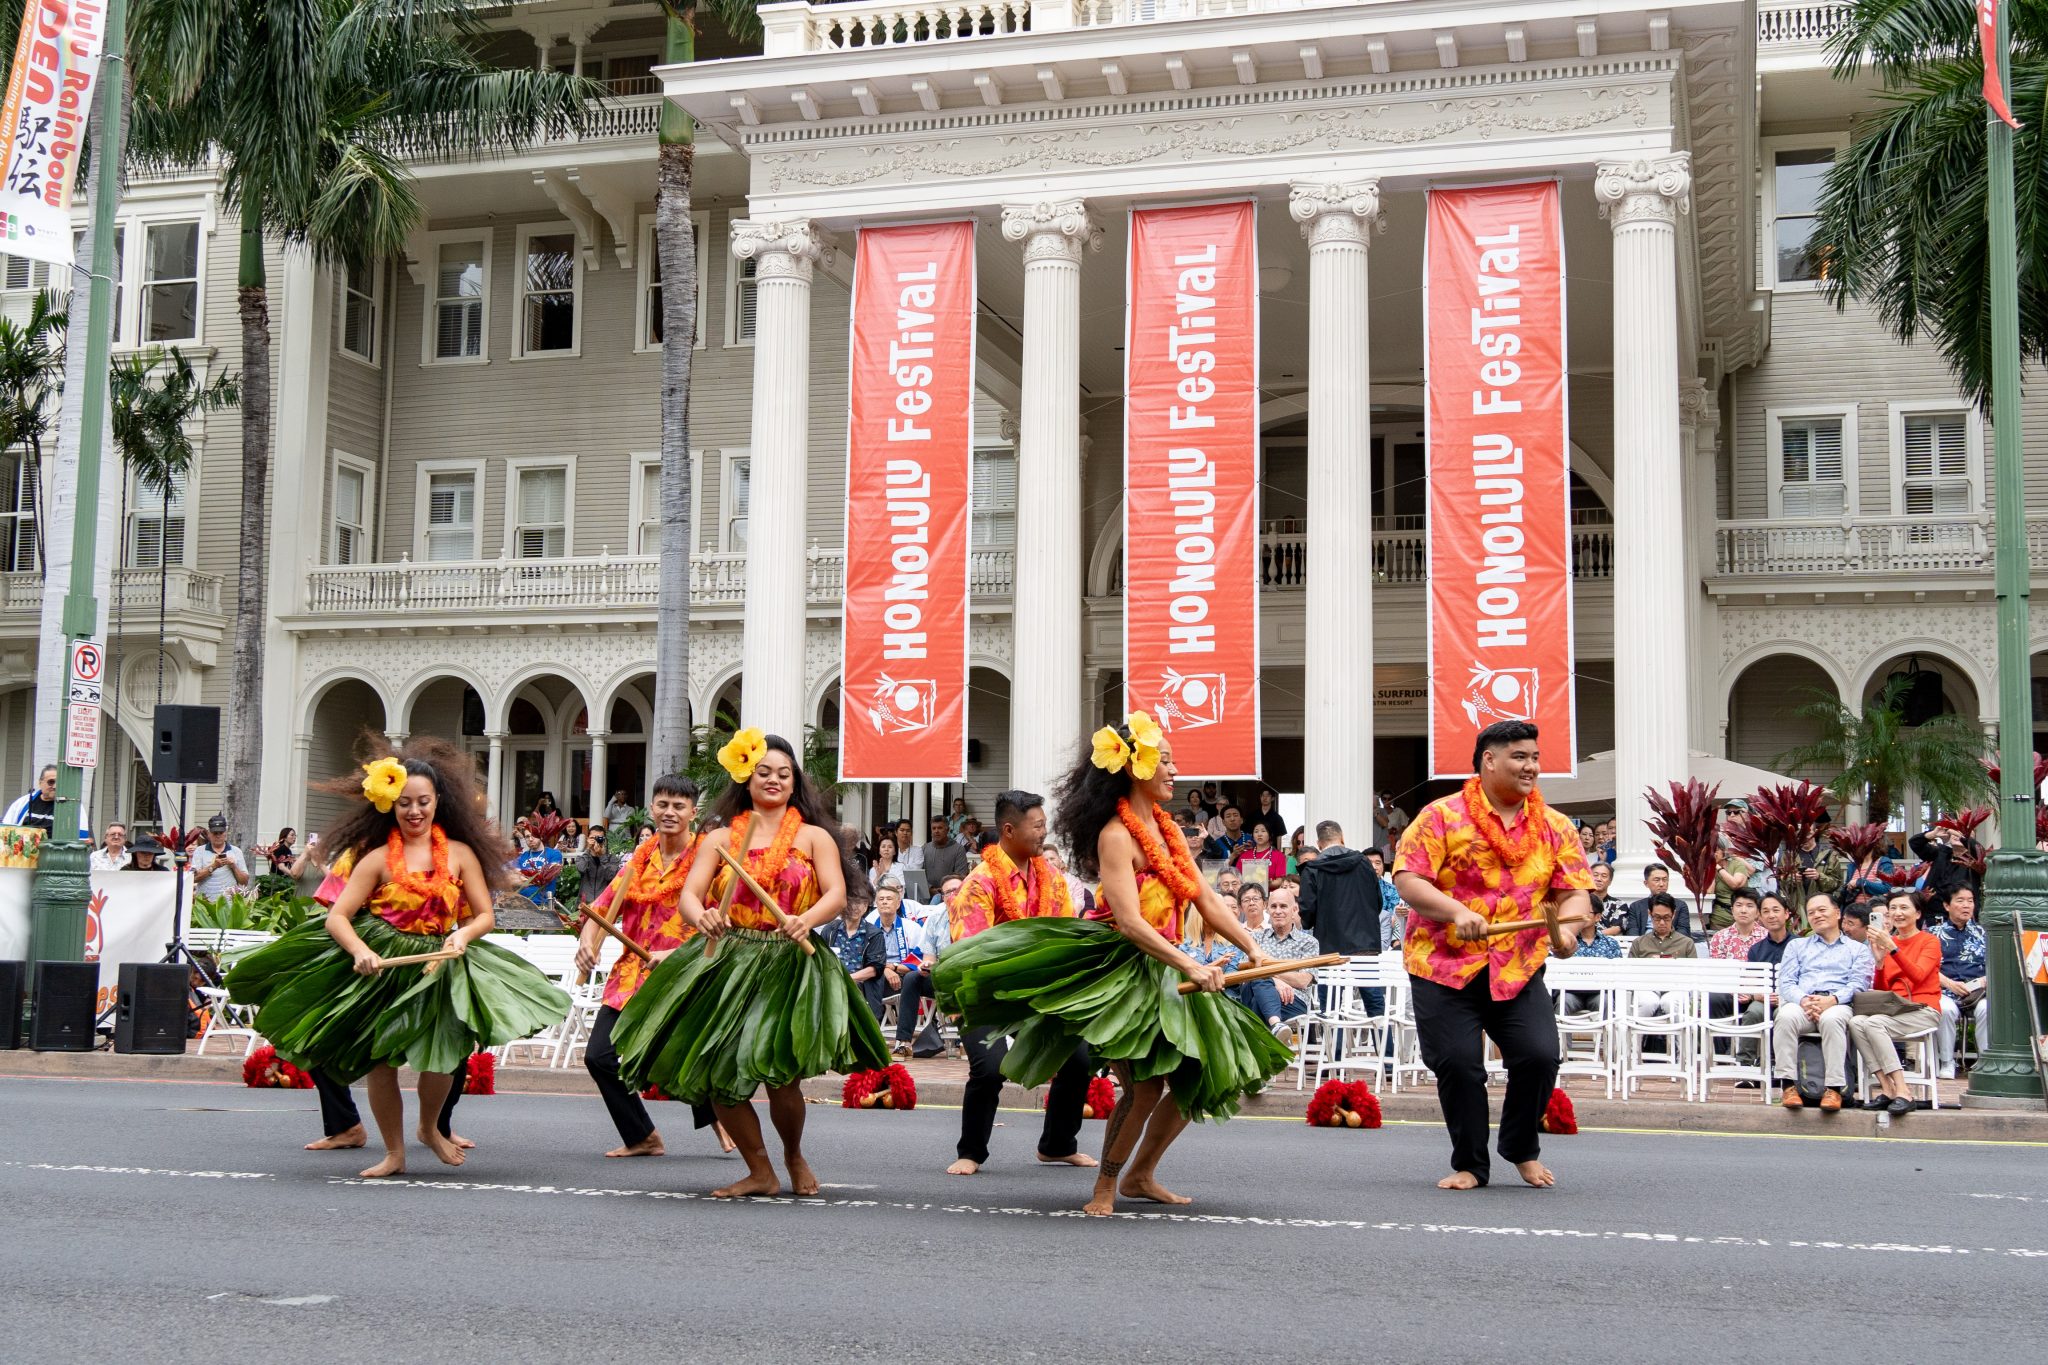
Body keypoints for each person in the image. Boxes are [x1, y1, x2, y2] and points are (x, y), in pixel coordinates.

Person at [936, 712, 1289, 1217]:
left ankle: (1141, 1173)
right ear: (1134, 768)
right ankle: (1106, 1183)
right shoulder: (1116, 836)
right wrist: (1188, 965)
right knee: (1143, 1085)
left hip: (1168, 963)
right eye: (1162, 759)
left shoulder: (1169, 832)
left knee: (1201, 1073)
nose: (1172, 769)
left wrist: (1252, 946)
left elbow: (1206, 898)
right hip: (1125, 969)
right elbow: (1127, 920)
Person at [224, 740, 571, 1178]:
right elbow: (338, 918)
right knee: (381, 1062)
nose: (414, 811)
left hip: (440, 959)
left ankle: (428, 1128)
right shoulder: (375, 859)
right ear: (390, 805)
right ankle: (394, 1152)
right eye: (405, 803)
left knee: (442, 1054)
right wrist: (361, 950)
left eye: (423, 802)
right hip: (385, 959)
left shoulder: (460, 855)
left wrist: (462, 934)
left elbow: (485, 914)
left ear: (437, 802)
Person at [611, 730, 889, 1199]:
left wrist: (807, 919)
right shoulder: (719, 838)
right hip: (730, 958)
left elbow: (836, 893)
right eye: (764, 772)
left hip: (788, 960)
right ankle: (759, 1169)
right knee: (719, 1074)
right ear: (747, 777)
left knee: (782, 1079)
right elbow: (689, 897)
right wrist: (706, 916)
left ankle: (793, 1154)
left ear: (794, 780)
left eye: (784, 773)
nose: (774, 780)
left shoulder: (814, 836)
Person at [1393, 720, 1591, 1191]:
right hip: (1444, 966)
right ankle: (1470, 1164)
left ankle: (1520, 1147)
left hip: (1518, 967)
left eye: (1535, 758)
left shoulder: (1555, 825)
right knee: (1459, 1065)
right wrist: (1456, 911)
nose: (1531, 767)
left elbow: (1575, 893)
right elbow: (1408, 879)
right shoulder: (1441, 816)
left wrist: (1567, 931)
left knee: (1540, 1056)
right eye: (1520, 757)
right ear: (1489, 760)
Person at [940, 789, 1097, 1177]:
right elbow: (973, 950)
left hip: (1039, 993)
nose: (1044, 833)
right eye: (1037, 826)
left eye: (1044, 825)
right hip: (984, 993)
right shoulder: (979, 882)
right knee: (989, 1069)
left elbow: (1063, 934)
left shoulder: (1053, 880)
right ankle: (971, 1151)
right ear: (1009, 830)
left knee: (1079, 1059)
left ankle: (1058, 1145)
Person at [574, 773, 731, 1158]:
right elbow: (602, 910)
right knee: (598, 1056)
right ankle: (642, 1135)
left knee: (680, 1053)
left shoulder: (707, 861)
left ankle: (723, 1121)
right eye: (662, 804)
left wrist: (676, 955)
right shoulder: (637, 863)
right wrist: (586, 941)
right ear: (651, 809)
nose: (669, 812)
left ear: (693, 813)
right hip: (632, 974)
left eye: (679, 806)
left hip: (685, 972)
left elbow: (725, 922)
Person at [1771, 895, 1874, 1111]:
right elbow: (1787, 982)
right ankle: (1788, 1086)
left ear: (1837, 913)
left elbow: (1858, 984)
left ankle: (1834, 1089)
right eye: (1811, 912)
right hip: (1804, 1003)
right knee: (1785, 1016)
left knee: (1832, 1019)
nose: (1816, 915)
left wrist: (1832, 1000)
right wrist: (1804, 1000)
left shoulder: (1857, 949)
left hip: (1838, 1004)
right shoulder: (1797, 946)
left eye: (1822, 910)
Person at [1851, 890, 1942, 1115]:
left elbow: (1919, 976)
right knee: (1856, 1022)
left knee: (1873, 1024)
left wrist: (1893, 949)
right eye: (1893, 909)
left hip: (1923, 1008)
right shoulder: (1889, 943)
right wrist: (1880, 961)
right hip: (1895, 1009)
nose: (1897, 913)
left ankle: (1903, 1091)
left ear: (1918, 913)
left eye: (1904, 908)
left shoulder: (1929, 941)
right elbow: (1883, 992)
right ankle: (1888, 1088)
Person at [1296, 821, 1382, 959]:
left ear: (1319, 844)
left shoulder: (1312, 869)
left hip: (1329, 950)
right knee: (1365, 981)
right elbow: (1377, 902)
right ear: (1342, 838)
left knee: (1331, 982)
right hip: (1366, 944)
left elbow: (1307, 913)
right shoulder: (1364, 863)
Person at [1931, 885, 1990, 1078]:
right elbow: (1926, 968)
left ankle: (1985, 1062)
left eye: (1970, 900)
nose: (1966, 905)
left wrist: (1984, 980)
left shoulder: (1984, 933)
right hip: (1945, 990)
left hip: (1978, 992)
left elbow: (1995, 965)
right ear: (1947, 906)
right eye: (1960, 900)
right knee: (1945, 1009)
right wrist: (1948, 983)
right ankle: (1947, 1061)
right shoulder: (1933, 933)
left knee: (1987, 1009)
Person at [1735, 893, 1798, 1070]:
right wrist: (1759, 995)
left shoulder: (1800, 945)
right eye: (1766, 911)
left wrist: (1784, 998)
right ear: (1760, 918)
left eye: (1776, 910)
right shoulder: (1756, 950)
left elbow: (1806, 980)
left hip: (1789, 1001)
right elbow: (1751, 983)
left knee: (1782, 1015)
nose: (1771, 915)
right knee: (1753, 1012)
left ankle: (1778, 1064)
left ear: (1786, 914)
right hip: (1763, 1000)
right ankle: (1745, 1066)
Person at [1246, 884, 1321, 1031]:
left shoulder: (1308, 942)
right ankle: (1276, 1025)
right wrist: (1274, 982)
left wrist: (1269, 974)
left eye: (1283, 906)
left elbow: (1303, 980)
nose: (1278, 911)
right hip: (1256, 992)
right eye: (1273, 906)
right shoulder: (1255, 938)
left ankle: (1272, 1032)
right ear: (1267, 909)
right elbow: (1245, 971)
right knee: (1257, 982)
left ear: (1294, 910)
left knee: (1257, 1000)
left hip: (1293, 1000)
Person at [1627, 899, 1697, 1036]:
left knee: (1671, 1003)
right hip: (1647, 987)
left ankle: (1680, 1051)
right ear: (1649, 914)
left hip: (1676, 987)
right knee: (1647, 1003)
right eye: (1657, 918)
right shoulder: (1639, 943)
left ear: (1674, 915)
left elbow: (1692, 975)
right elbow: (1630, 973)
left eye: (1666, 918)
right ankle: (1634, 1049)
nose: (1662, 923)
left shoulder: (1686, 943)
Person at [821, 893, 886, 1017]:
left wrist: (846, 979)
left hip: (860, 987)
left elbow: (874, 969)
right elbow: (820, 959)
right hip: (830, 983)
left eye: (862, 903)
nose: (856, 907)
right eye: (852, 902)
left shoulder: (874, 934)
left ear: (866, 906)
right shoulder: (830, 930)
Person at [1910, 824, 1982, 900]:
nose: (1958, 835)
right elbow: (1914, 843)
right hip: (1934, 909)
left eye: (1964, 833)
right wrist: (1933, 834)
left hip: (1961, 908)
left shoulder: (1975, 859)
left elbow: (1979, 849)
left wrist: (1963, 838)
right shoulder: (1939, 853)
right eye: (1956, 831)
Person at [1622, 864, 1690, 937]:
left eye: (1665, 880)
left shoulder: (1680, 905)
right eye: (1657, 880)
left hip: (1671, 945)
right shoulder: (1636, 906)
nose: (1661, 884)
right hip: (1643, 945)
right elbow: (1632, 932)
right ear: (1646, 883)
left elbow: (1683, 932)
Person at [193, 816, 252, 899]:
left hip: (229, 903)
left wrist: (233, 866)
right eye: (215, 833)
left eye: (221, 832)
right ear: (209, 833)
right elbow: (194, 879)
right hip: (205, 903)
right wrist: (214, 866)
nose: (218, 836)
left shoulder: (236, 851)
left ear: (225, 833)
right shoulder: (199, 851)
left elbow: (244, 882)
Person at [2, 764, 63, 833]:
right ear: (40, 783)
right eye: (51, 782)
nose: (55, 786)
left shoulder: (67, 805)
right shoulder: (23, 802)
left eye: (59, 782)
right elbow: (6, 829)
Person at [1709, 841, 1754, 932]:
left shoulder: (1736, 864)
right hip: (1720, 916)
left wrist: (1718, 868)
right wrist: (1711, 870)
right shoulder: (1710, 868)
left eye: (1716, 850)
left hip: (1743, 914)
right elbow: (1710, 892)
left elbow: (1735, 884)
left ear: (1724, 851)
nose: (1713, 853)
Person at [575, 825, 621, 909]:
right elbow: (582, 869)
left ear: (604, 840)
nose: (596, 841)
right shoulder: (582, 858)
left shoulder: (612, 859)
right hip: (585, 906)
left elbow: (610, 876)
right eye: (593, 838)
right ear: (588, 839)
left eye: (599, 838)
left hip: (604, 906)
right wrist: (588, 849)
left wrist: (602, 856)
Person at [514, 830, 563, 906]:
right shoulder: (521, 857)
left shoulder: (554, 853)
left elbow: (551, 874)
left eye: (533, 835)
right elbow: (514, 879)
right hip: (522, 903)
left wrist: (525, 876)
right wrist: (538, 877)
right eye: (527, 837)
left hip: (543, 904)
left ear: (540, 836)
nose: (530, 839)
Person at [920, 813, 971, 885]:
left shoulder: (958, 849)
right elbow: (919, 873)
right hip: (927, 893)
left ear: (947, 830)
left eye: (940, 828)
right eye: (934, 828)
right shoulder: (924, 848)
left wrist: (944, 889)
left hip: (949, 893)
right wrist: (930, 889)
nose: (936, 831)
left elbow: (960, 876)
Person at [1588, 863, 1623, 935]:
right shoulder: (1580, 902)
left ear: (1610, 881)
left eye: (1604, 876)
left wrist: (1592, 936)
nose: (1599, 879)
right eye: (1595, 875)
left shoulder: (1619, 904)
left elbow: (1616, 928)